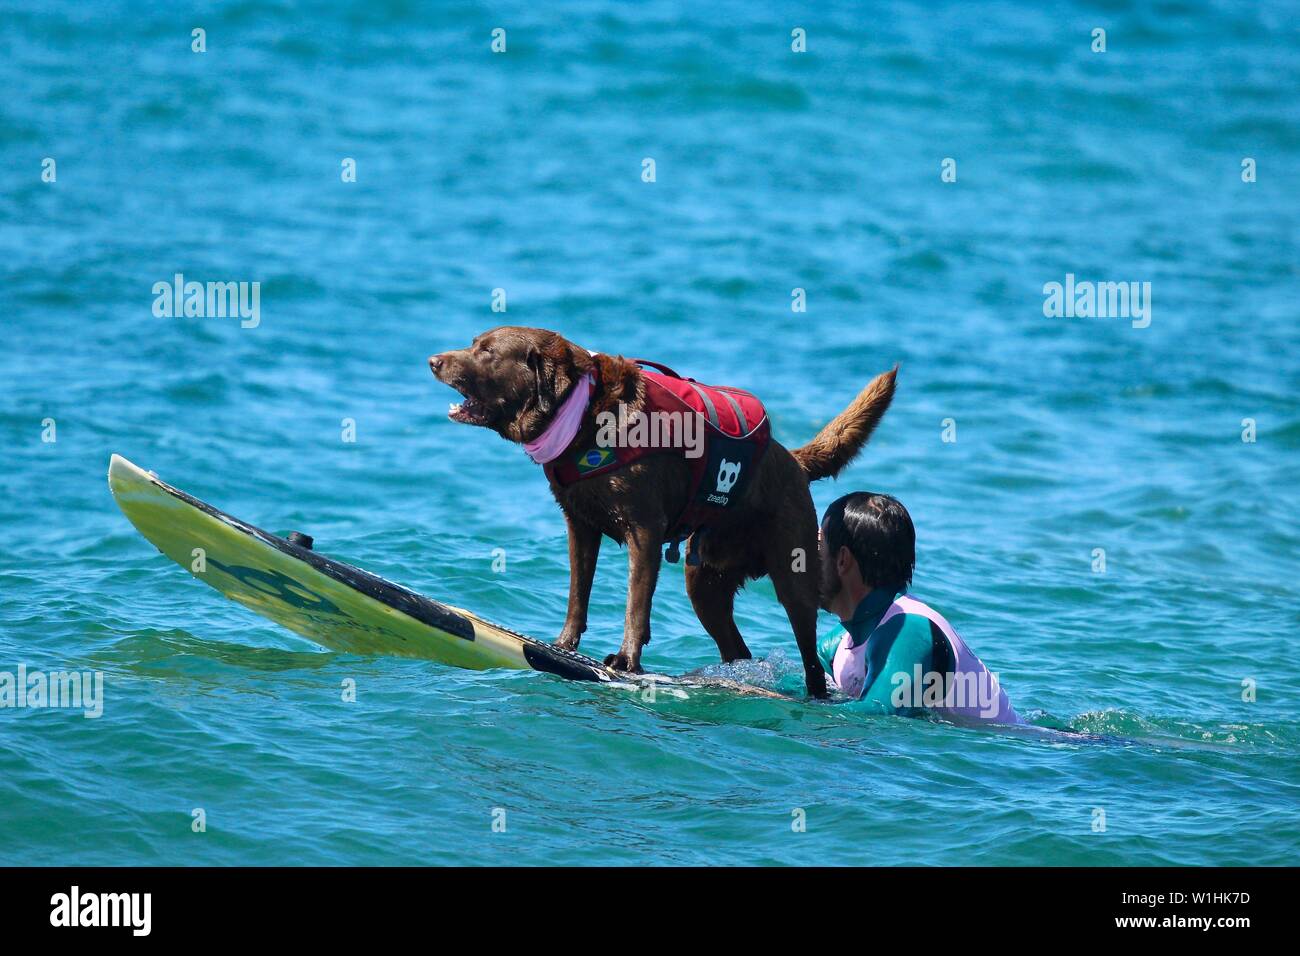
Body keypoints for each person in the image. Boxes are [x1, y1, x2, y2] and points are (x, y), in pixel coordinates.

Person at [816, 492, 1022, 725]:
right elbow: (805, 691)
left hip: (1031, 752)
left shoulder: (910, 631)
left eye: (819, 545)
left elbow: (877, 717)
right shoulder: (837, 645)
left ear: (842, 559)